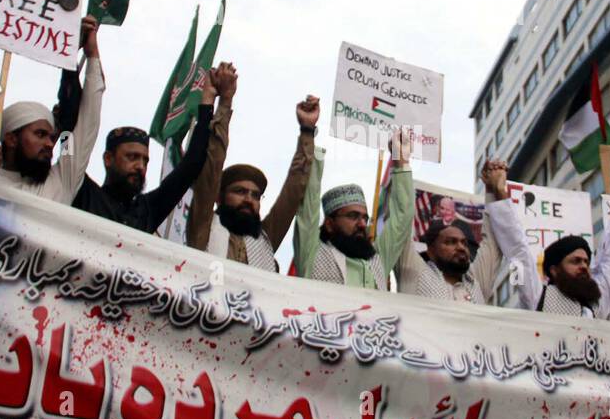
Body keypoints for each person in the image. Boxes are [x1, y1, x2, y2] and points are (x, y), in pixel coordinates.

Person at [186, 64, 318, 271]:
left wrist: (307, 131)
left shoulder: (265, 240)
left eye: (256, 195)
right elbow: (213, 164)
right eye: (240, 192)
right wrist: (225, 102)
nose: (249, 199)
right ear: (219, 197)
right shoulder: (204, 225)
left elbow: (293, 193)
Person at [0, 16, 104, 202]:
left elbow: (88, 120)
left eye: (51, 137)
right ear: (11, 139)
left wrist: (92, 55)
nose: (51, 144)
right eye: (40, 135)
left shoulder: (61, 181)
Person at [71, 70, 218, 234]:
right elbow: (67, 150)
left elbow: (191, 166)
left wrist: (207, 101)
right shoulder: (84, 193)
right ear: (108, 158)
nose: (140, 166)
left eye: (145, 161)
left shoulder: (147, 211)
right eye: (132, 157)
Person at [491, 185, 610, 318]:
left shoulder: (597, 303)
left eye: (586, 261)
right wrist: (498, 192)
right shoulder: (537, 296)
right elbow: (518, 250)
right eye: (576, 261)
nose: (584, 266)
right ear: (554, 270)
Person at [295, 129, 413, 290]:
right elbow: (308, 202)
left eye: (365, 218)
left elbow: (402, 216)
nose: (362, 224)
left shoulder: (377, 259)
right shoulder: (312, 253)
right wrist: (308, 133)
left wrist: (401, 160)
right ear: (329, 223)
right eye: (353, 216)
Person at [395, 159, 520, 303]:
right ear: (431, 250)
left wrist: (492, 189)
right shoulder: (414, 272)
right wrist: (400, 159)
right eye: (450, 242)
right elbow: (401, 219)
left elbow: (492, 241)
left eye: (464, 243)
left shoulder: (476, 281)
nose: (461, 247)